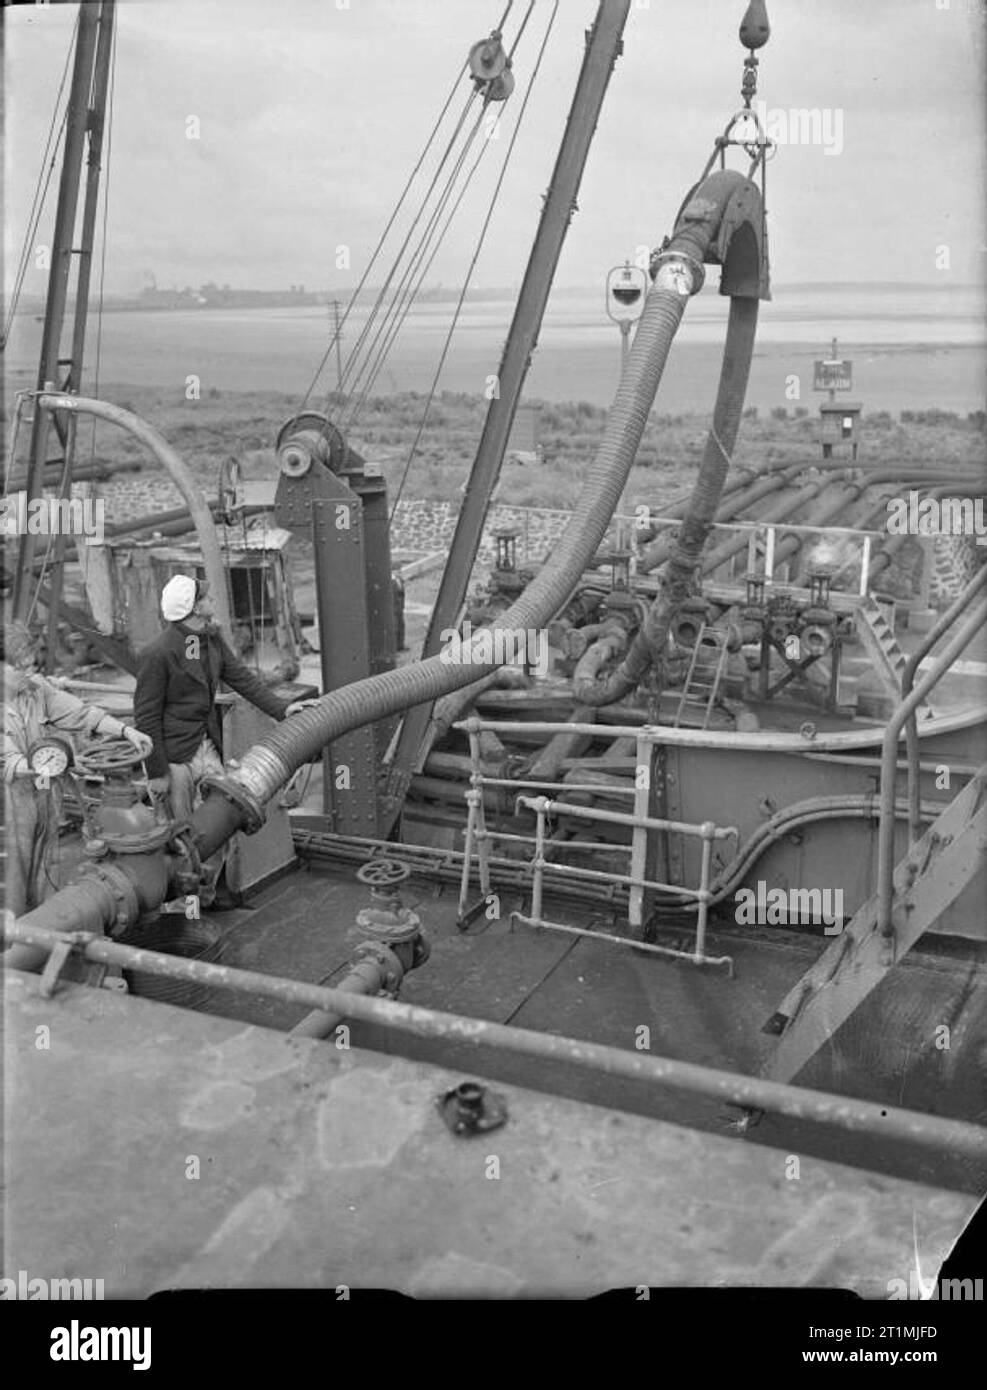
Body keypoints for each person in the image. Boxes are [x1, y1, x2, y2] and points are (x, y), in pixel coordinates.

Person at [133, 575, 313, 902]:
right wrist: (156, 771)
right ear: (192, 606)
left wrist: (283, 709)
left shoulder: (211, 640)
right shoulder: (157, 654)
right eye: (207, 597)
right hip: (175, 758)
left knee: (222, 821)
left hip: (206, 746)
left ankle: (204, 895)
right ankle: (179, 909)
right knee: (181, 834)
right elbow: (145, 718)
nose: (212, 602)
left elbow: (242, 678)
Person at [2, 619, 153, 917]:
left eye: (33, 665)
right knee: (12, 880)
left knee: (45, 870)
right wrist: (61, 760)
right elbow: (9, 761)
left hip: (45, 795)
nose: (30, 673)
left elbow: (81, 714)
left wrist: (125, 731)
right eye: (21, 667)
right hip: (10, 804)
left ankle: (42, 931)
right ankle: (14, 950)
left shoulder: (36, 689)